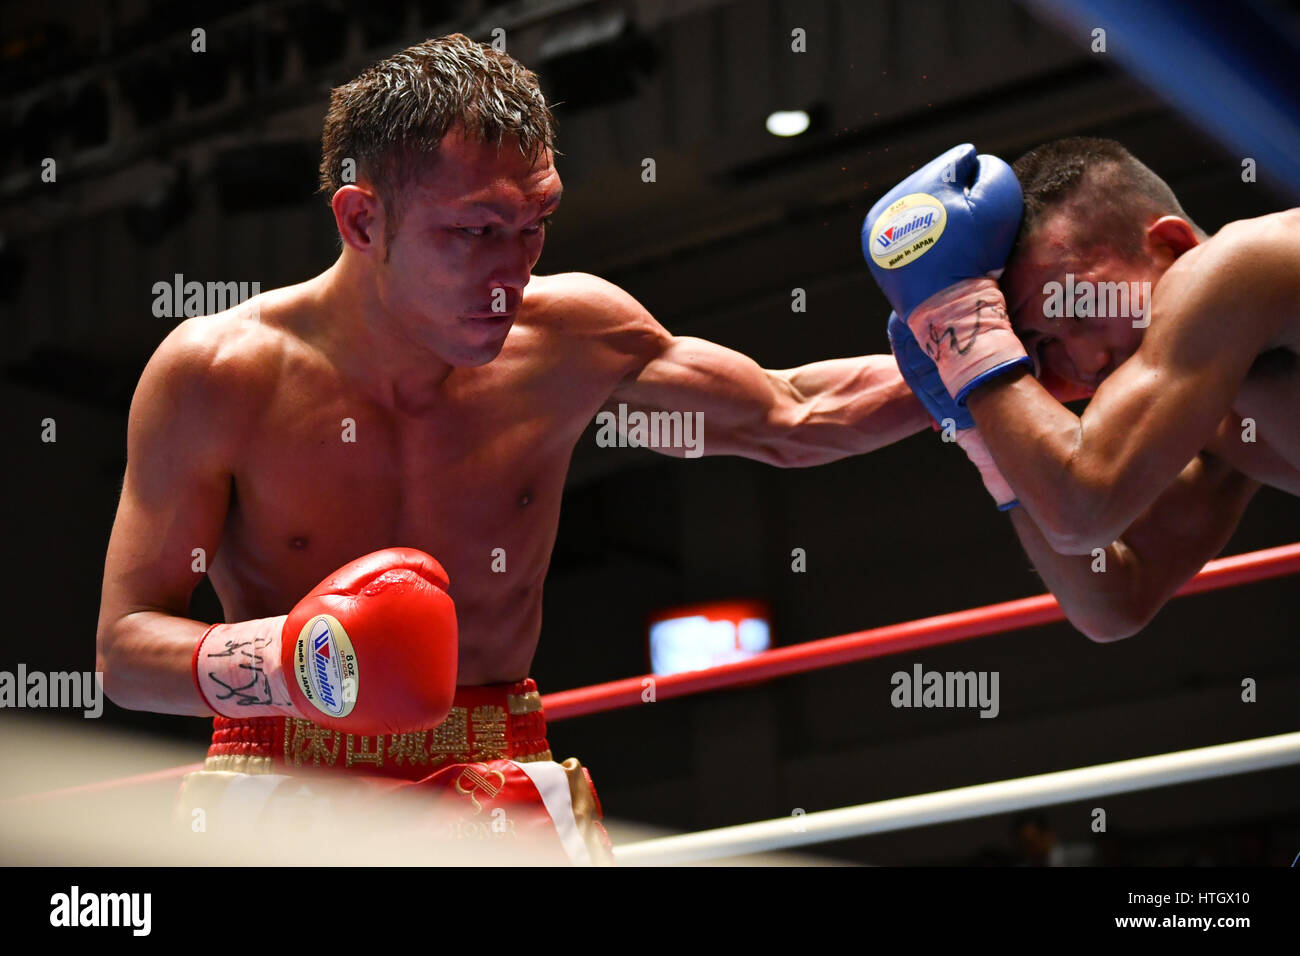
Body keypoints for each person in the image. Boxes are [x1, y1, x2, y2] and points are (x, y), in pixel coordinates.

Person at [96, 33, 931, 864]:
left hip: (503, 777)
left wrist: (984, 349)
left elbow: (790, 413)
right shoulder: (219, 376)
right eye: (475, 230)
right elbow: (126, 650)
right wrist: (295, 661)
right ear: (361, 218)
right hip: (286, 787)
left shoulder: (571, 339)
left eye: (535, 225)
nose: (512, 274)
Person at [863, 138, 1299, 643]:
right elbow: (1114, 602)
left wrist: (964, 330)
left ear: (1172, 247)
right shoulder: (1222, 419)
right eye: (1044, 342)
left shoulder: (1250, 261)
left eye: (1083, 308)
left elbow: (1080, 510)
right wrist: (981, 437)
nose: (1087, 364)